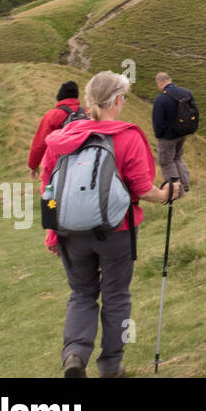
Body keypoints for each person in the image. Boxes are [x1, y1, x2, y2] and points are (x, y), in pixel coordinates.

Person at [41, 70, 182, 378]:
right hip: (116, 231)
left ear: (89, 100)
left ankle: (75, 356)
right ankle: (111, 366)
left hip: (70, 233)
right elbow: (142, 189)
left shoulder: (62, 139)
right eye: (125, 98)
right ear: (118, 100)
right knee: (116, 294)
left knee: (81, 293)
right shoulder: (127, 136)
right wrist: (167, 194)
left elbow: (49, 188)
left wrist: (53, 232)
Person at [27, 81, 81, 178]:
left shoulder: (52, 115)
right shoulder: (87, 113)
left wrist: (33, 165)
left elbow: (39, 143)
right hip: (84, 163)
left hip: (57, 167)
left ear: (59, 96)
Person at [151, 72, 193, 194]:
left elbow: (157, 122)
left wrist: (159, 136)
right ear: (170, 80)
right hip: (183, 133)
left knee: (166, 162)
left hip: (167, 137)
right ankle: (185, 184)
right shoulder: (186, 93)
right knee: (177, 157)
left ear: (160, 83)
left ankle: (176, 192)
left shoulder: (160, 99)